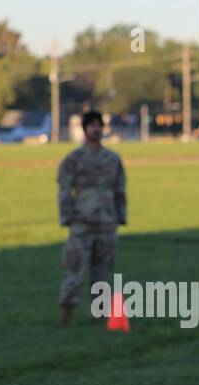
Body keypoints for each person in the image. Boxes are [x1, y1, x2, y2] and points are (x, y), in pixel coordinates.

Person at [57, 111, 126, 325]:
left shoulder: (113, 159)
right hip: (82, 223)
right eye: (92, 125)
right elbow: (65, 190)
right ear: (85, 129)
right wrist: (67, 216)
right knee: (75, 270)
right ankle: (67, 312)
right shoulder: (74, 159)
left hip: (107, 223)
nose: (96, 129)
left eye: (99, 125)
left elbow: (120, 190)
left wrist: (120, 216)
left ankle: (101, 315)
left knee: (102, 272)